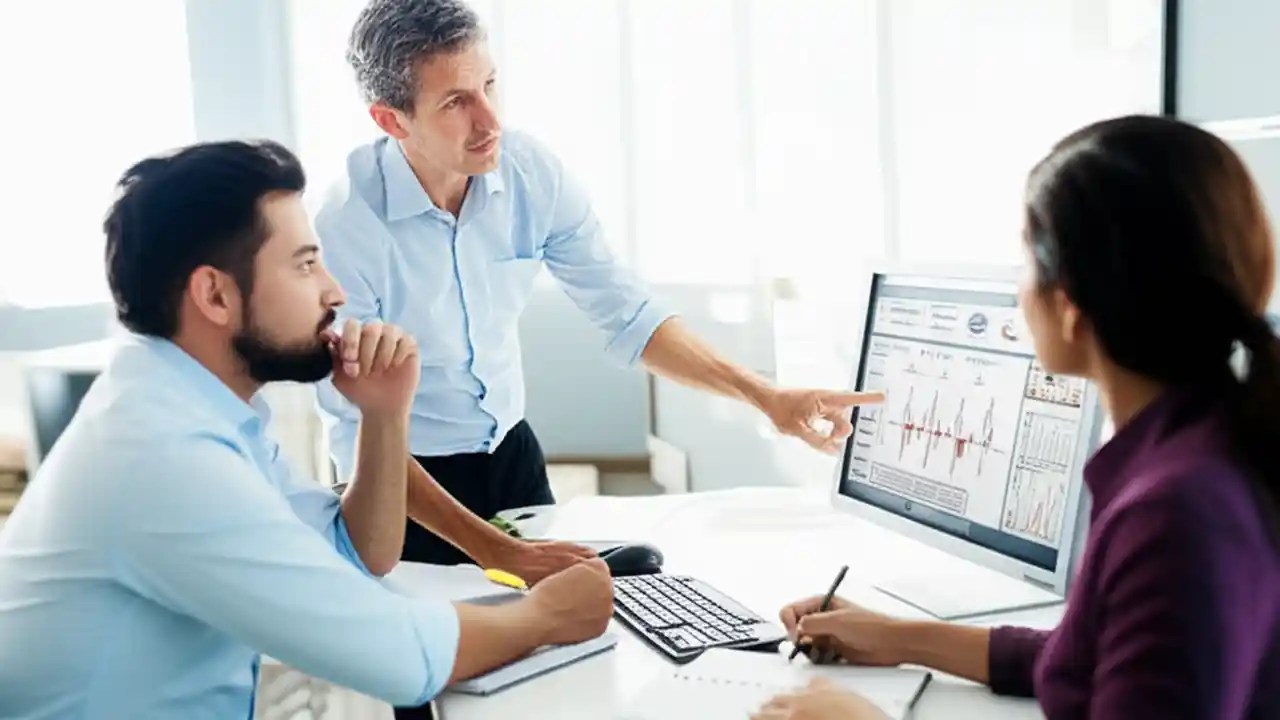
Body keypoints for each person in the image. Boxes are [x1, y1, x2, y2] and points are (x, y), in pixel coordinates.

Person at [0, 140, 613, 719]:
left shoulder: (196, 410)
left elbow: (357, 553)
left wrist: (383, 415)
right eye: (306, 265)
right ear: (215, 295)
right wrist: (547, 616)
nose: (335, 293)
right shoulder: (162, 454)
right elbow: (399, 657)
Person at [314, 0, 885, 582]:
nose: (490, 122)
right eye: (456, 103)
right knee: (439, 635)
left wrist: (767, 398)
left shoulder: (528, 173)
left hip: (511, 455)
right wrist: (499, 552)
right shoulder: (345, 230)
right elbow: (361, 430)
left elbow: (629, 314)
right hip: (400, 481)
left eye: (489, 85)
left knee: (565, 625)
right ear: (392, 121)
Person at [755, 115, 1280, 720]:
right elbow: (1089, 660)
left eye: (1026, 260)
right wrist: (899, 638)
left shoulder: (1176, 513)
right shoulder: (1204, 447)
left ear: (1070, 307)